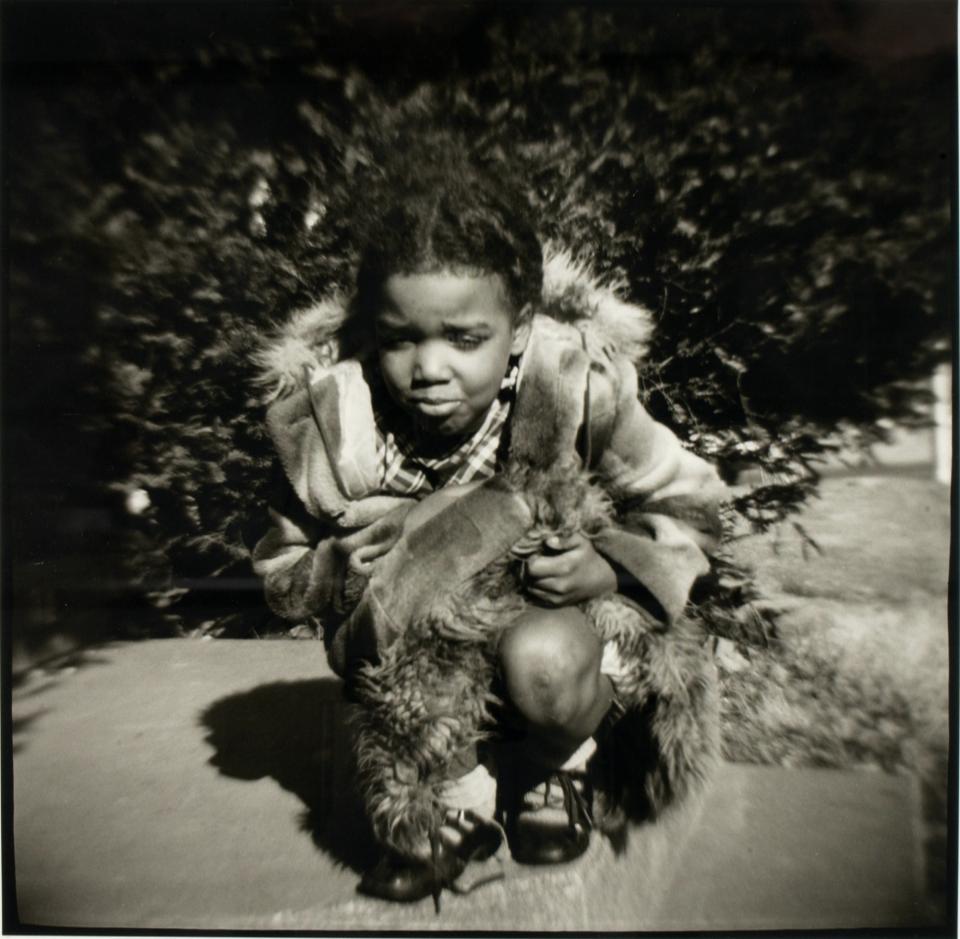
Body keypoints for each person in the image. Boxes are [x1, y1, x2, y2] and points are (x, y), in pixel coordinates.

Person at [252, 142, 726, 909]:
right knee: (413, 612)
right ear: (373, 329)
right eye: (401, 338)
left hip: (551, 633)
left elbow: (692, 504)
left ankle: (561, 759)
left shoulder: (575, 388)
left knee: (541, 661)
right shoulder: (328, 425)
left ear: (519, 326)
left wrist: (609, 564)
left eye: (464, 339)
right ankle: (461, 792)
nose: (429, 367)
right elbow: (280, 564)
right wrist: (334, 566)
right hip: (420, 670)